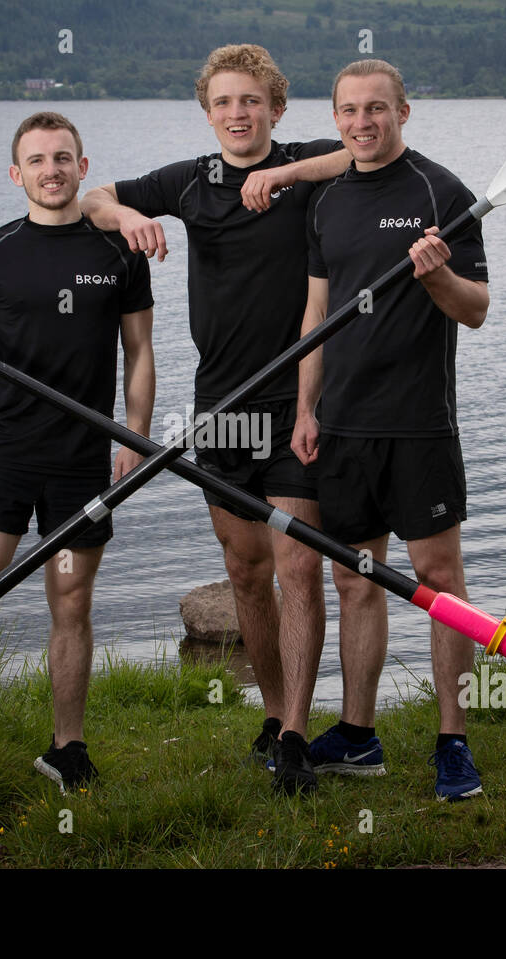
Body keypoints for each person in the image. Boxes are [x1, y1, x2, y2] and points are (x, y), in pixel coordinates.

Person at [81, 44, 351, 794]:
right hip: (221, 407)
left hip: (298, 399)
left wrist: (284, 173)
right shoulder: (192, 183)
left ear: (275, 108)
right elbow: (93, 198)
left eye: (252, 100)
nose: (238, 113)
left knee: (299, 564)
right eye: (225, 102)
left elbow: (367, 155)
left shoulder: (308, 168)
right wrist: (132, 215)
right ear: (209, 113)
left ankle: (298, 732)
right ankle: (273, 714)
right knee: (245, 569)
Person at [0, 111, 155, 796]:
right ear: (17, 174)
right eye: (38, 160)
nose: (52, 170)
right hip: (5, 453)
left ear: (82, 166)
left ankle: (66, 748)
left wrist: (133, 437)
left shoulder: (119, 253)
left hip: (81, 461)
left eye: (63, 158)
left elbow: (139, 354)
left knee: (71, 603)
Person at [294, 60, 490, 800]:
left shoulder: (443, 192)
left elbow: (474, 308)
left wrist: (436, 274)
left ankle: (452, 742)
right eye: (349, 110)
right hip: (342, 425)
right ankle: (358, 733)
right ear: (336, 116)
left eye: (377, 109)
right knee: (354, 579)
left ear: (404, 111)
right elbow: (316, 313)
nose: (361, 122)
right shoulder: (327, 200)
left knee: (441, 582)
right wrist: (306, 408)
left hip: (418, 425)